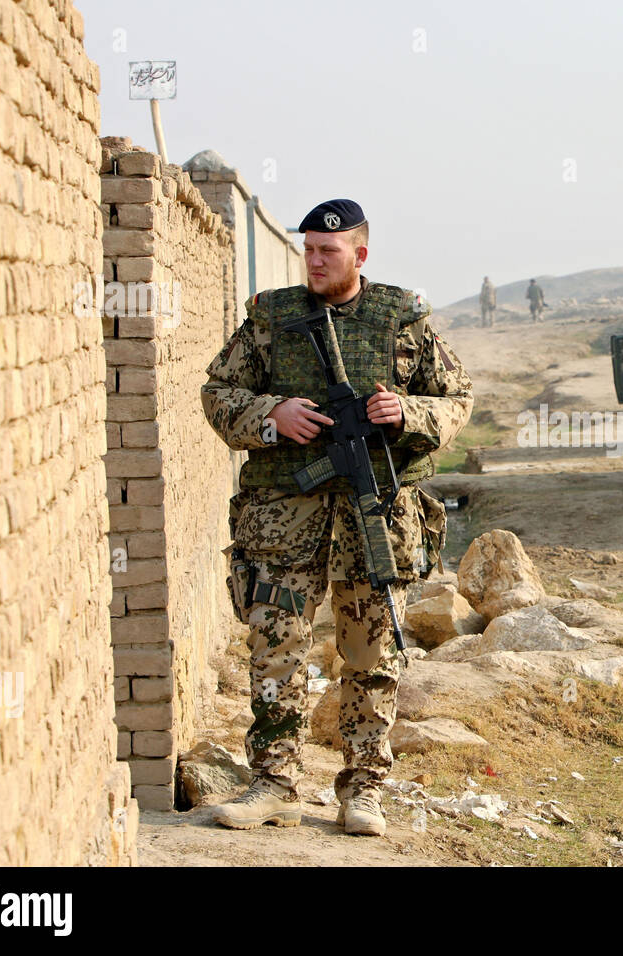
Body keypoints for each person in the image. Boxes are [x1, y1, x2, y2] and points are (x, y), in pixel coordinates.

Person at [201, 199, 473, 837]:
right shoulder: (271, 319)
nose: (314, 260)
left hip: (374, 517)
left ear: (361, 254)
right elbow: (217, 392)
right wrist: (273, 416)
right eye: (309, 249)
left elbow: (456, 399)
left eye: (328, 251)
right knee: (274, 652)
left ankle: (364, 788)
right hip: (282, 519)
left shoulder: (403, 321)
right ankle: (273, 783)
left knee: (373, 657)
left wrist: (408, 415)